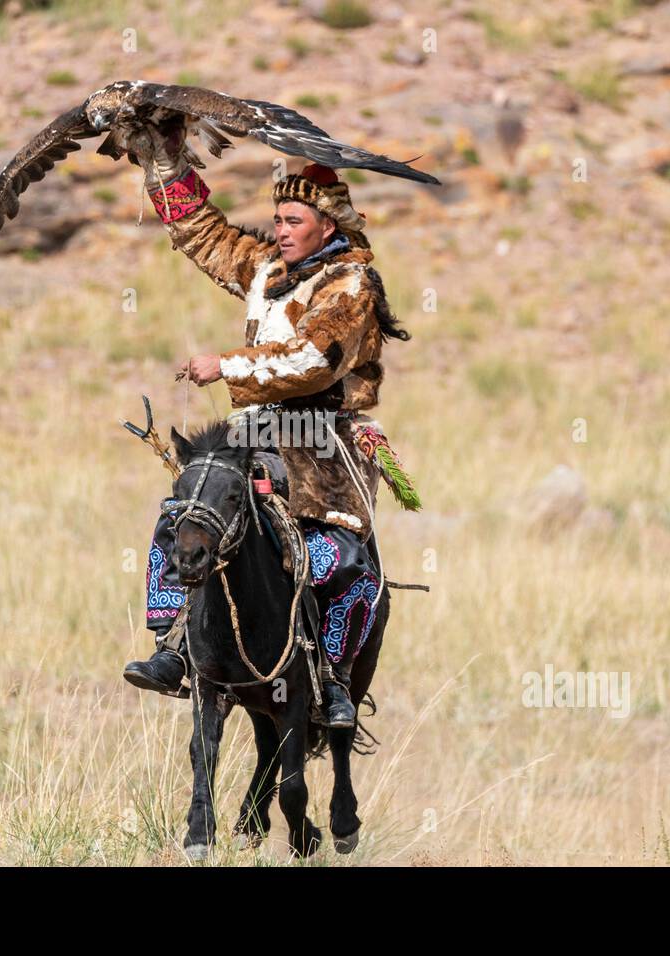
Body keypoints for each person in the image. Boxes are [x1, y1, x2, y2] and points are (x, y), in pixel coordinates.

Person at [121, 120, 416, 728]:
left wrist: (225, 365)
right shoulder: (268, 271)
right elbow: (208, 236)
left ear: (327, 227)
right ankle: (174, 647)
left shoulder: (351, 285)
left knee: (338, 559)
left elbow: (314, 362)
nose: (280, 232)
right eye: (278, 221)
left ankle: (332, 683)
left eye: (293, 223)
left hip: (322, 445)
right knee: (181, 517)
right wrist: (165, 163)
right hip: (251, 435)